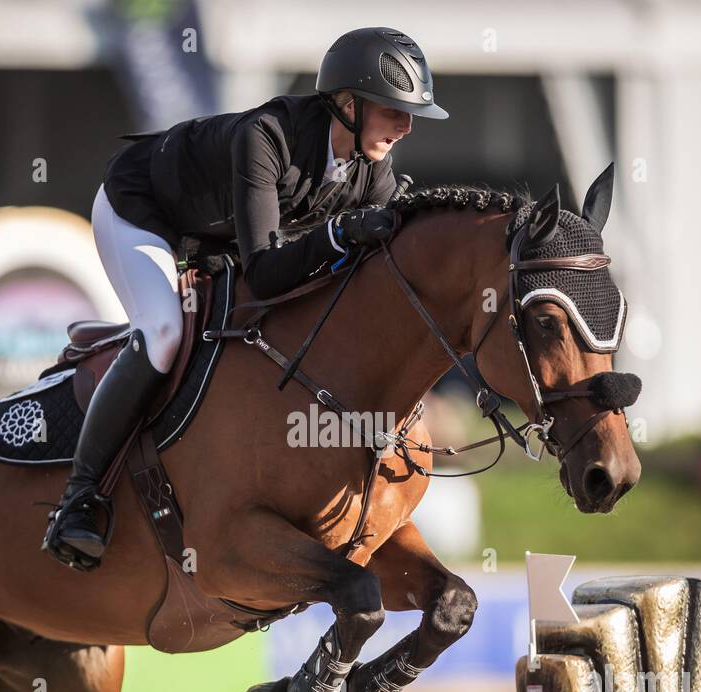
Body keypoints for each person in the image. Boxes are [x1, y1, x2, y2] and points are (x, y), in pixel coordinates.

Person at [42, 27, 448, 570]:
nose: (405, 126)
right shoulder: (267, 137)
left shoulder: (371, 171)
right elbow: (266, 270)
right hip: (141, 211)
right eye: (392, 110)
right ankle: (79, 499)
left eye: (409, 114)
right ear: (347, 104)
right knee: (163, 334)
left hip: (218, 239)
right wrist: (338, 234)